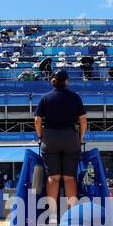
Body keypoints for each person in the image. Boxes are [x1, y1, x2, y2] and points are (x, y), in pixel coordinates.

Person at [33, 70, 88, 212]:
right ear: (67, 81)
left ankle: (51, 214)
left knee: (53, 177)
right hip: (70, 137)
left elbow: (37, 120)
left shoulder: (45, 98)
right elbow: (83, 121)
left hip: (50, 138)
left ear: (53, 81)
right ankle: (72, 215)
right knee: (69, 178)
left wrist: (40, 137)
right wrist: (79, 138)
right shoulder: (75, 97)